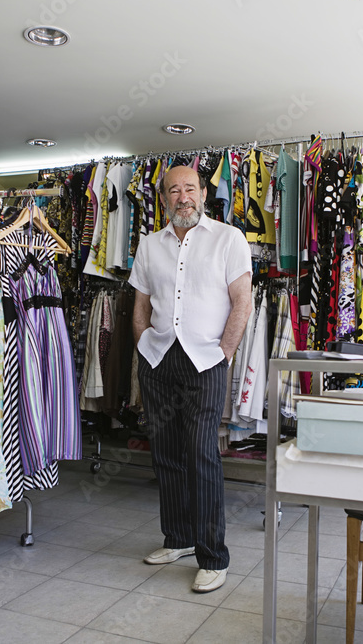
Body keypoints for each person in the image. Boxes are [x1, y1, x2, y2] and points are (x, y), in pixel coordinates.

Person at [128, 164, 253, 593]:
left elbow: (242, 302)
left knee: (202, 455)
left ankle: (213, 556)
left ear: (203, 193)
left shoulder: (228, 238)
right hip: (159, 359)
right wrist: (144, 344)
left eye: (190, 189)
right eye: (173, 190)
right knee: (166, 453)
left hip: (206, 360)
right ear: (164, 197)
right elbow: (141, 304)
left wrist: (224, 354)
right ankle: (178, 538)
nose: (183, 197)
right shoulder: (150, 245)